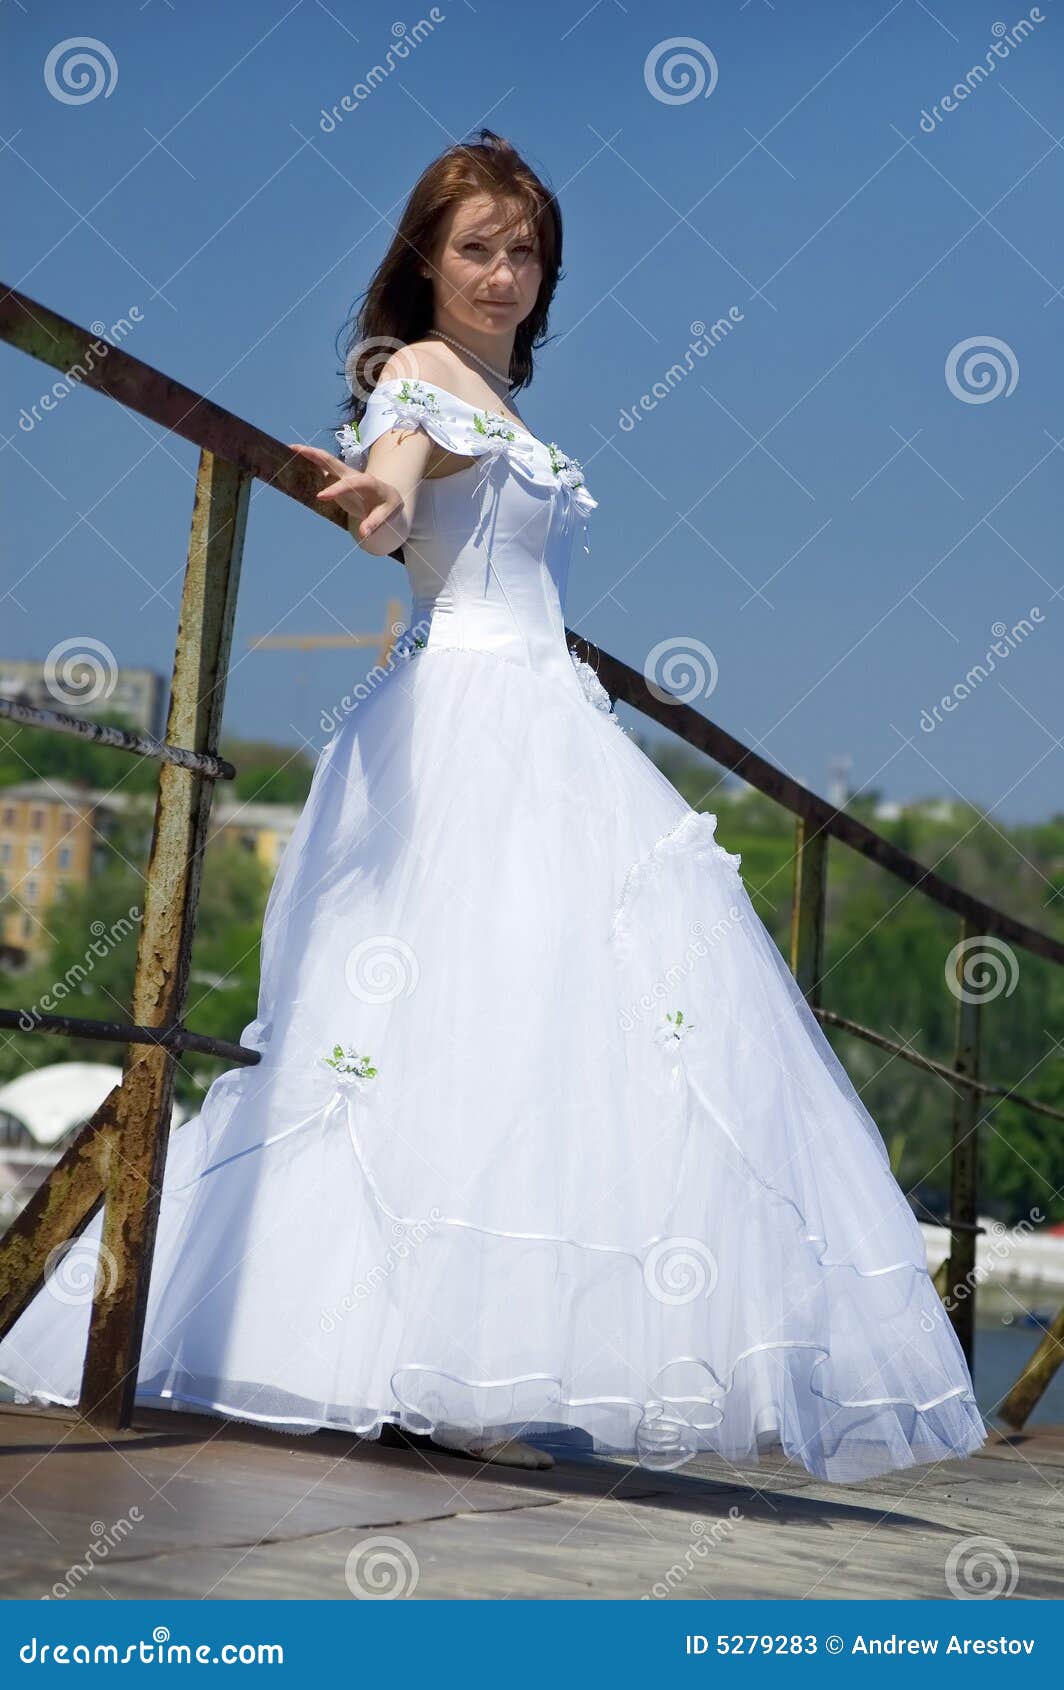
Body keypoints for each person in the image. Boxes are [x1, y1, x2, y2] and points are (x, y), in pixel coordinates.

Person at [0, 130, 986, 1484]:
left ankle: (469, 1355)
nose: (506, 272)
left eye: (525, 251)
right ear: (425, 257)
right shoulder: (414, 376)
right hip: (467, 726)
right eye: (478, 247)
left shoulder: (502, 397)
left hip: (554, 729)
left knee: (540, 1040)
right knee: (440, 1024)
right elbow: (398, 480)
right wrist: (370, 499)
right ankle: (380, 1347)